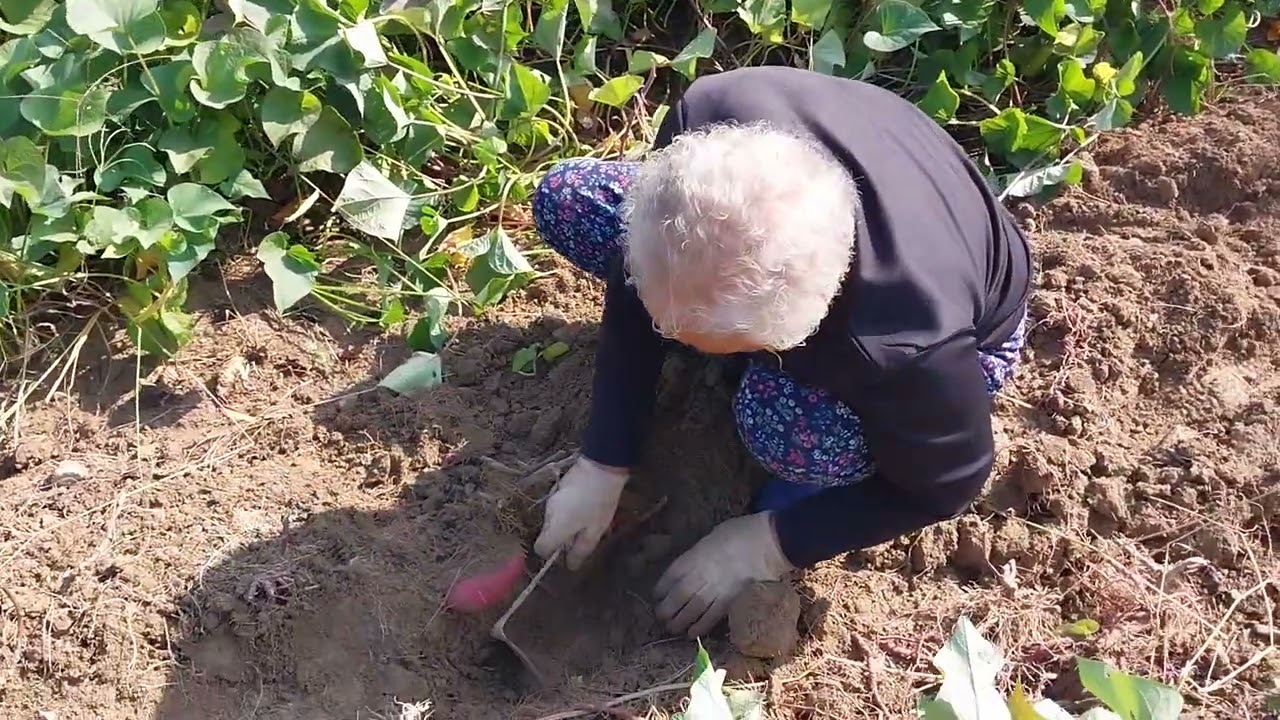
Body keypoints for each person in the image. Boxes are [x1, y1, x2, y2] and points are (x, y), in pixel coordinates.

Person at [528, 66, 1032, 638]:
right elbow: (649, 267)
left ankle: (807, 465)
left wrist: (769, 544)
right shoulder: (707, 123)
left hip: (969, 316)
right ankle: (705, 321)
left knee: (785, 429)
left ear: (798, 331)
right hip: (838, 189)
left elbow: (948, 484)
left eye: (720, 343)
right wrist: (604, 459)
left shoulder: (905, 348)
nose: (666, 337)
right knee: (569, 198)